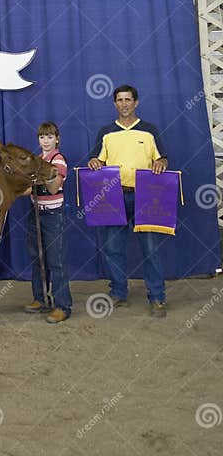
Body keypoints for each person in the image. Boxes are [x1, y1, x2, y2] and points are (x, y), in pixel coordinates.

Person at [88, 84, 169, 317]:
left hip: (146, 195)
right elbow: (97, 161)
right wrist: (95, 163)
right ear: (115, 104)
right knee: (113, 248)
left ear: (136, 102)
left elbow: (162, 159)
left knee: (151, 248)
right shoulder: (106, 132)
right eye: (120, 100)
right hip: (114, 195)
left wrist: (161, 163)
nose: (124, 104)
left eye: (128, 99)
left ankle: (157, 298)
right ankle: (118, 292)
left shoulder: (149, 130)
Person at [25, 122, 72, 324]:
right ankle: (41, 298)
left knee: (56, 260)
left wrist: (40, 178)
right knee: (38, 258)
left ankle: (63, 306)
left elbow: (53, 188)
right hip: (35, 213)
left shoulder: (58, 160)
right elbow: (27, 188)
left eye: (50, 136)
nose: (45, 140)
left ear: (57, 139)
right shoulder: (36, 161)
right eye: (42, 137)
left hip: (53, 215)